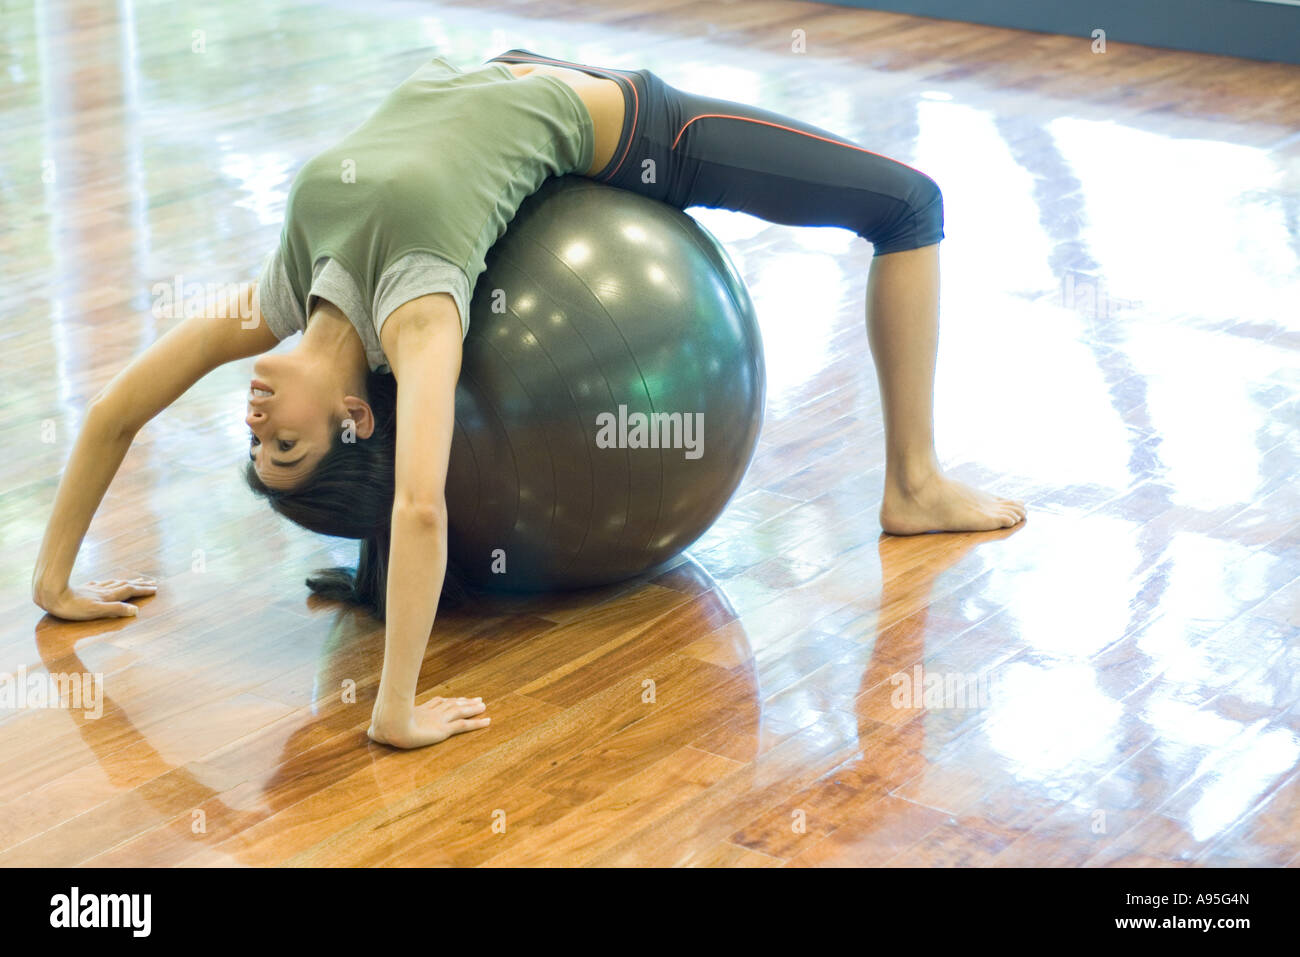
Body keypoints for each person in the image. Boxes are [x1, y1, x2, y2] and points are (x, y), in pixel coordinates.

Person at [31, 49, 1026, 749]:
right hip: (636, 129)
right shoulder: (422, 318)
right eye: (283, 451)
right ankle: (912, 483)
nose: (253, 427)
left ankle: (915, 479)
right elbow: (421, 505)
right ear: (353, 418)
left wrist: (54, 583)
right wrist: (394, 708)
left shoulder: (287, 287)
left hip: (510, 67)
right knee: (907, 204)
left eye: (254, 445)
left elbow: (122, 405)